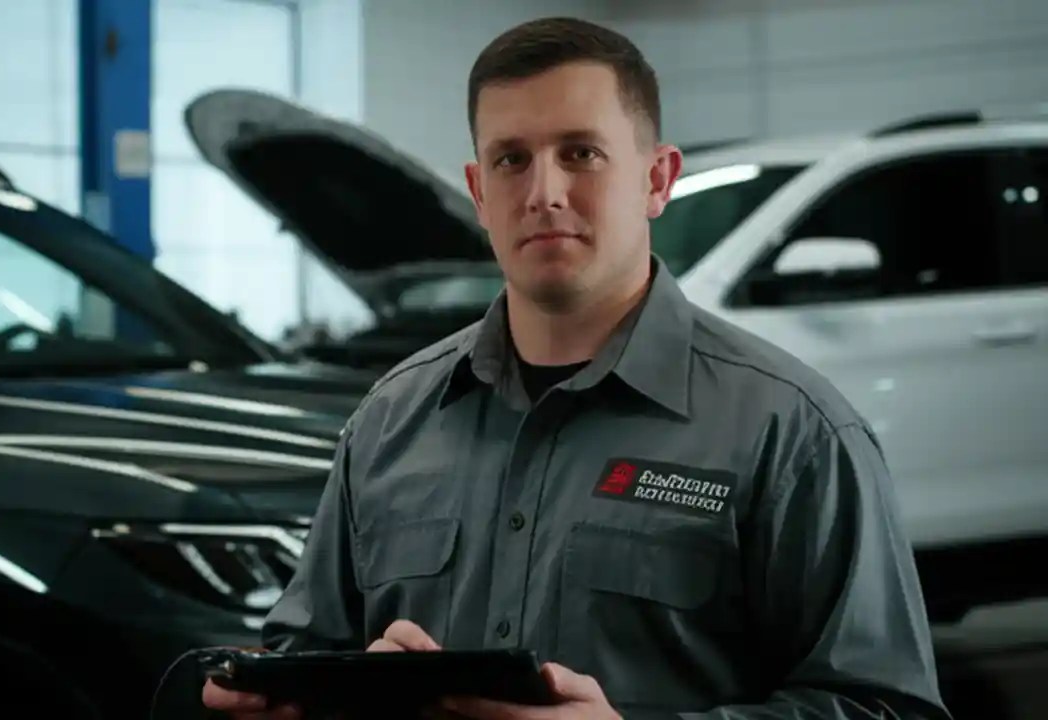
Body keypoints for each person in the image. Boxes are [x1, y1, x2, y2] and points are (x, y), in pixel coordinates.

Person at [203, 16, 952, 720]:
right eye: (511, 160)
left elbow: (885, 706)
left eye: (581, 153)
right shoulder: (389, 423)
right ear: (478, 193)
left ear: (657, 180)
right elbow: (304, 654)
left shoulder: (792, 433)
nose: (544, 193)